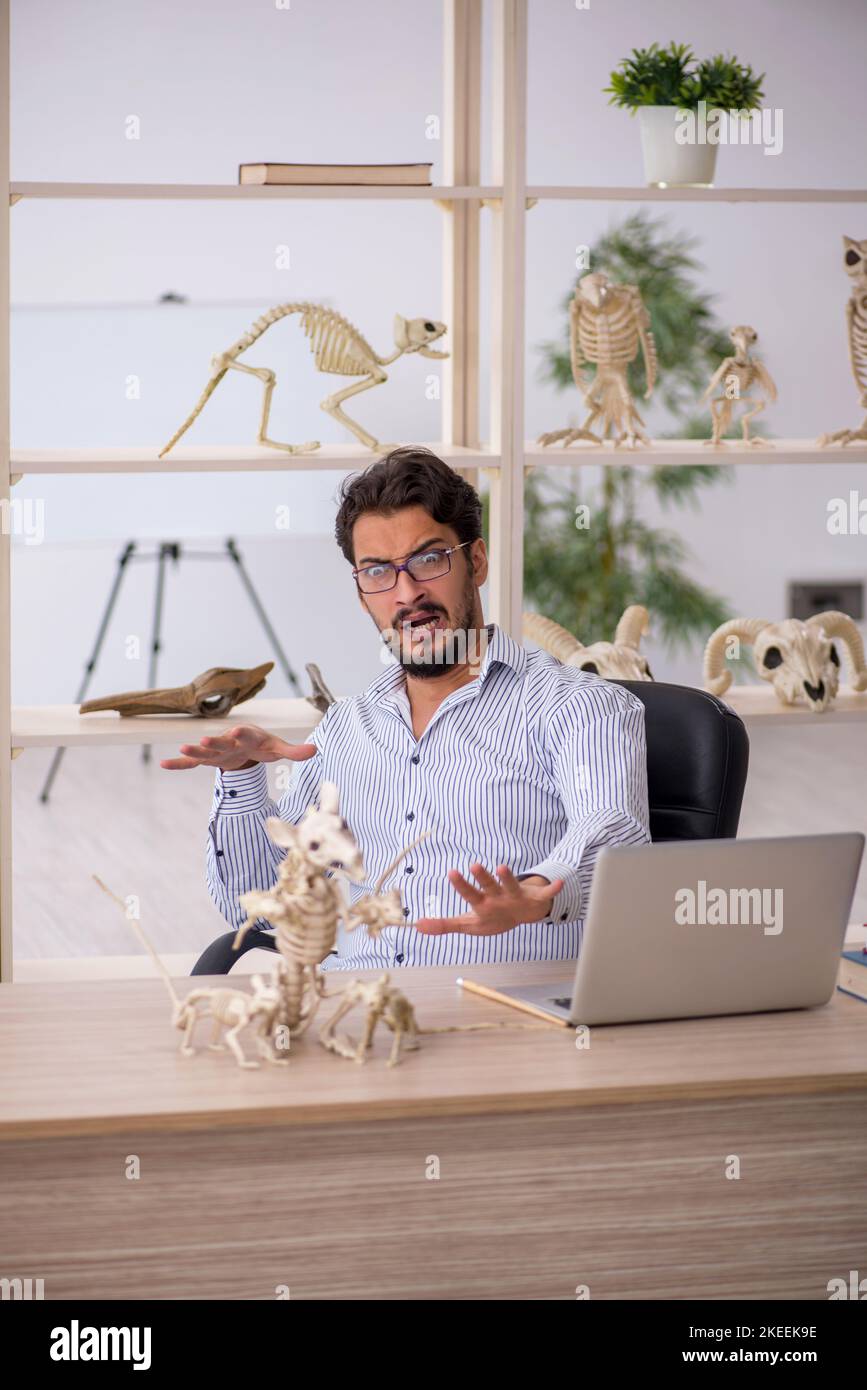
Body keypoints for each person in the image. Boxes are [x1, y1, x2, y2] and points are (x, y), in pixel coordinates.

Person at [161, 446, 650, 970]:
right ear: (361, 592)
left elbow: (613, 830)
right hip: (356, 1020)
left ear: (476, 561)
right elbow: (261, 909)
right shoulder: (348, 726)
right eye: (378, 572)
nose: (407, 592)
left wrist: (536, 891)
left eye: (429, 559)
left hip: (506, 1022)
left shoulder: (581, 707)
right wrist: (242, 777)